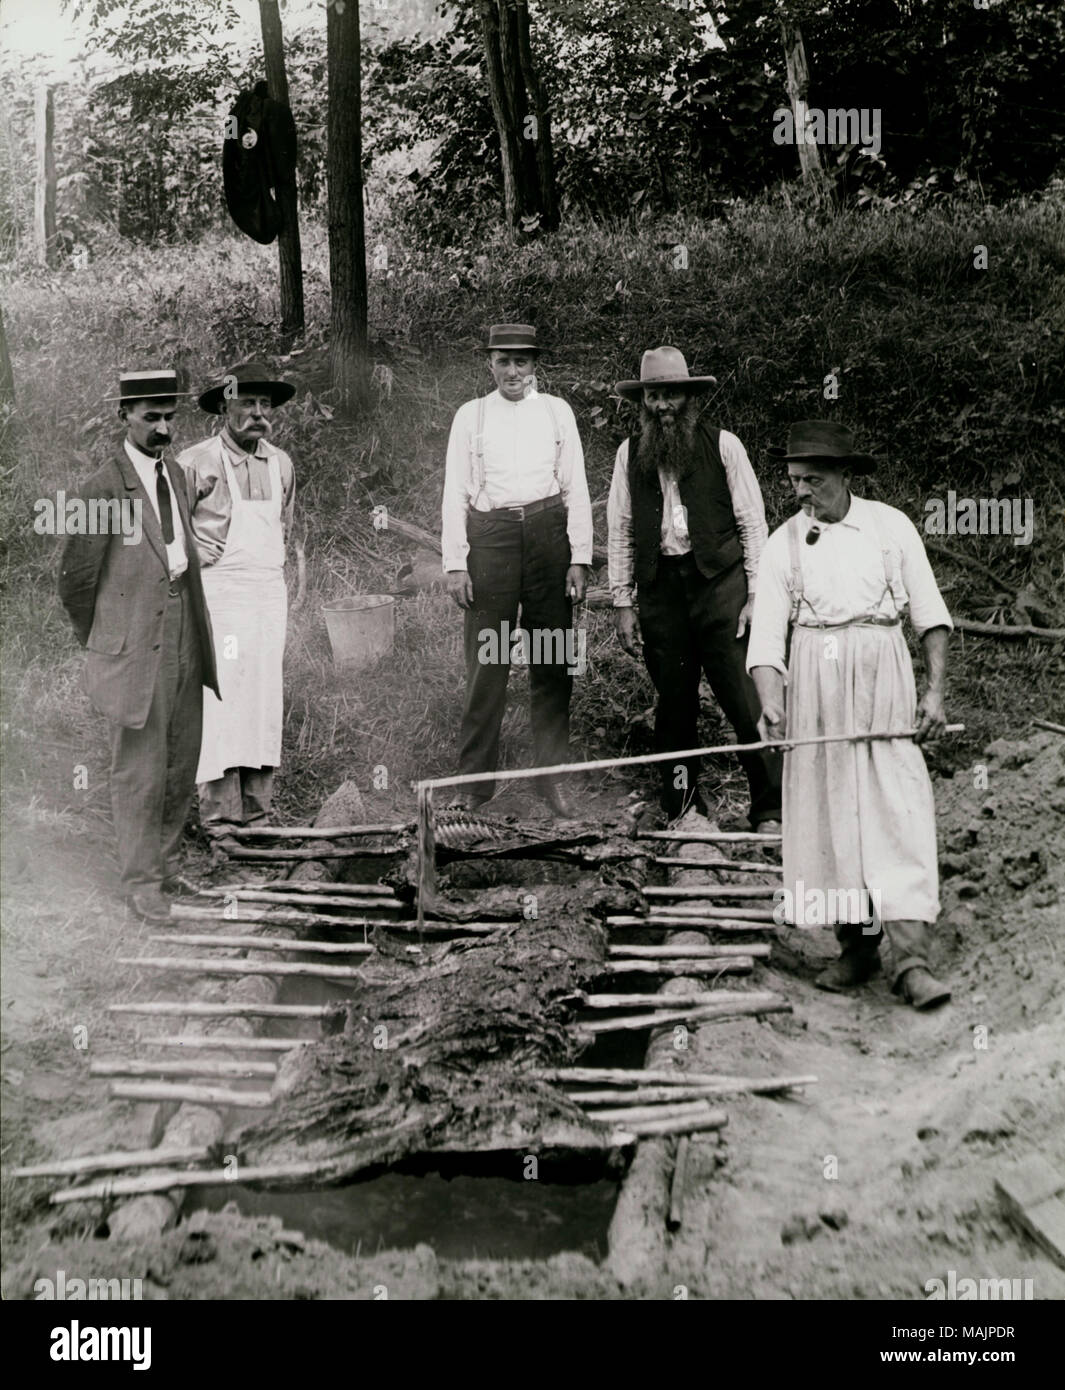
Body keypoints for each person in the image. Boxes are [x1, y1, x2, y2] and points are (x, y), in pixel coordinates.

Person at [746, 419, 953, 1010]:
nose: (802, 492)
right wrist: (772, 702)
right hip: (816, 680)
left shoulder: (891, 527)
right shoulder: (782, 542)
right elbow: (765, 642)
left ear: (844, 476)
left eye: (813, 479)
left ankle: (911, 960)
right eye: (794, 481)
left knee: (897, 808)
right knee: (827, 813)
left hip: (883, 675)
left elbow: (932, 617)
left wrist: (934, 695)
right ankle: (856, 950)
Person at [58, 370, 219, 922]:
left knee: (181, 755)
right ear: (124, 416)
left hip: (184, 628)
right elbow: (76, 581)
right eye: (151, 416)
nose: (163, 427)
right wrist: (106, 641)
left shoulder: (175, 474)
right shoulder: (102, 488)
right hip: (132, 641)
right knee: (140, 764)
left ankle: (169, 867)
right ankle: (141, 881)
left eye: (169, 416)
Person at [607, 346, 782, 826]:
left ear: (689, 397)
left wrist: (756, 596)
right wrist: (623, 602)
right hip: (661, 591)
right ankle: (684, 808)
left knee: (744, 699)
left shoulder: (725, 446)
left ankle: (771, 807)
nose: (663, 406)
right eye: (654, 396)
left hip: (721, 588)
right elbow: (620, 530)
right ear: (643, 401)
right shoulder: (628, 455)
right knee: (675, 705)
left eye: (672, 395)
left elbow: (753, 525)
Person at [441, 324, 593, 816]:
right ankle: (474, 784)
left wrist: (578, 556)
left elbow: (576, 488)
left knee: (552, 662)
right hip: (491, 541)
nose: (512, 372)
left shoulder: (556, 412)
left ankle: (551, 780)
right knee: (488, 664)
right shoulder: (471, 416)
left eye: (521, 362)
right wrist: (455, 563)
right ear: (490, 364)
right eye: (503, 361)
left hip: (548, 537)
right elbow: (454, 494)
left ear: (535, 365)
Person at [179, 362, 295, 841]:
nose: (257, 413)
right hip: (220, 590)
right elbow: (163, 527)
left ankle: (259, 813)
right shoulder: (195, 461)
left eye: (265, 404)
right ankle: (221, 818)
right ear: (225, 407)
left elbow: (284, 525)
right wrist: (189, 548)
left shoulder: (282, 463)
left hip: (268, 589)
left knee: (264, 695)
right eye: (246, 403)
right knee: (222, 697)